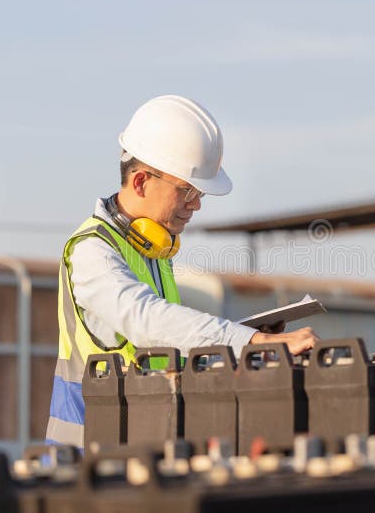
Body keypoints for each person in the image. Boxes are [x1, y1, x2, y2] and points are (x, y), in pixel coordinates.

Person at [46, 95, 320, 449]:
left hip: (140, 448)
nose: (197, 205)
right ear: (141, 182)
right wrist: (249, 341)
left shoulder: (153, 250)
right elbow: (147, 321)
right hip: (85, 459)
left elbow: (163, 354)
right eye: (188, 191)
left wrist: (245, 338)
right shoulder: (91, 252)